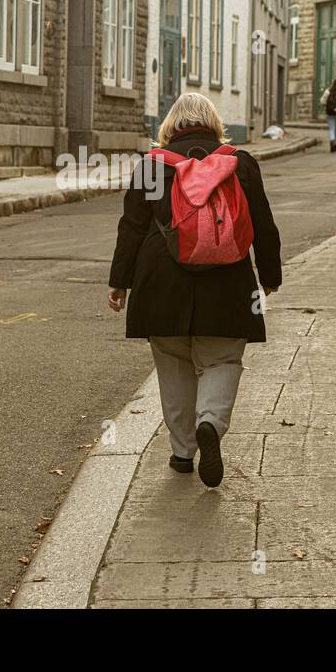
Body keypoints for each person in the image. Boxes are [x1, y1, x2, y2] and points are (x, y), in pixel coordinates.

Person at [108, 93, 282, 488]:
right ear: (215, 123)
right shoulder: (241, 164)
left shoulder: (152, 165)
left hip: (161, 284)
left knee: (174, 367)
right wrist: (269, 275)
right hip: (228, 281)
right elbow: (263, 224)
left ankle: (183, 452)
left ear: (169, 126)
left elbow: (132, 228)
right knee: (221, 359)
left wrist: (120, 281)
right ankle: (210, 423)